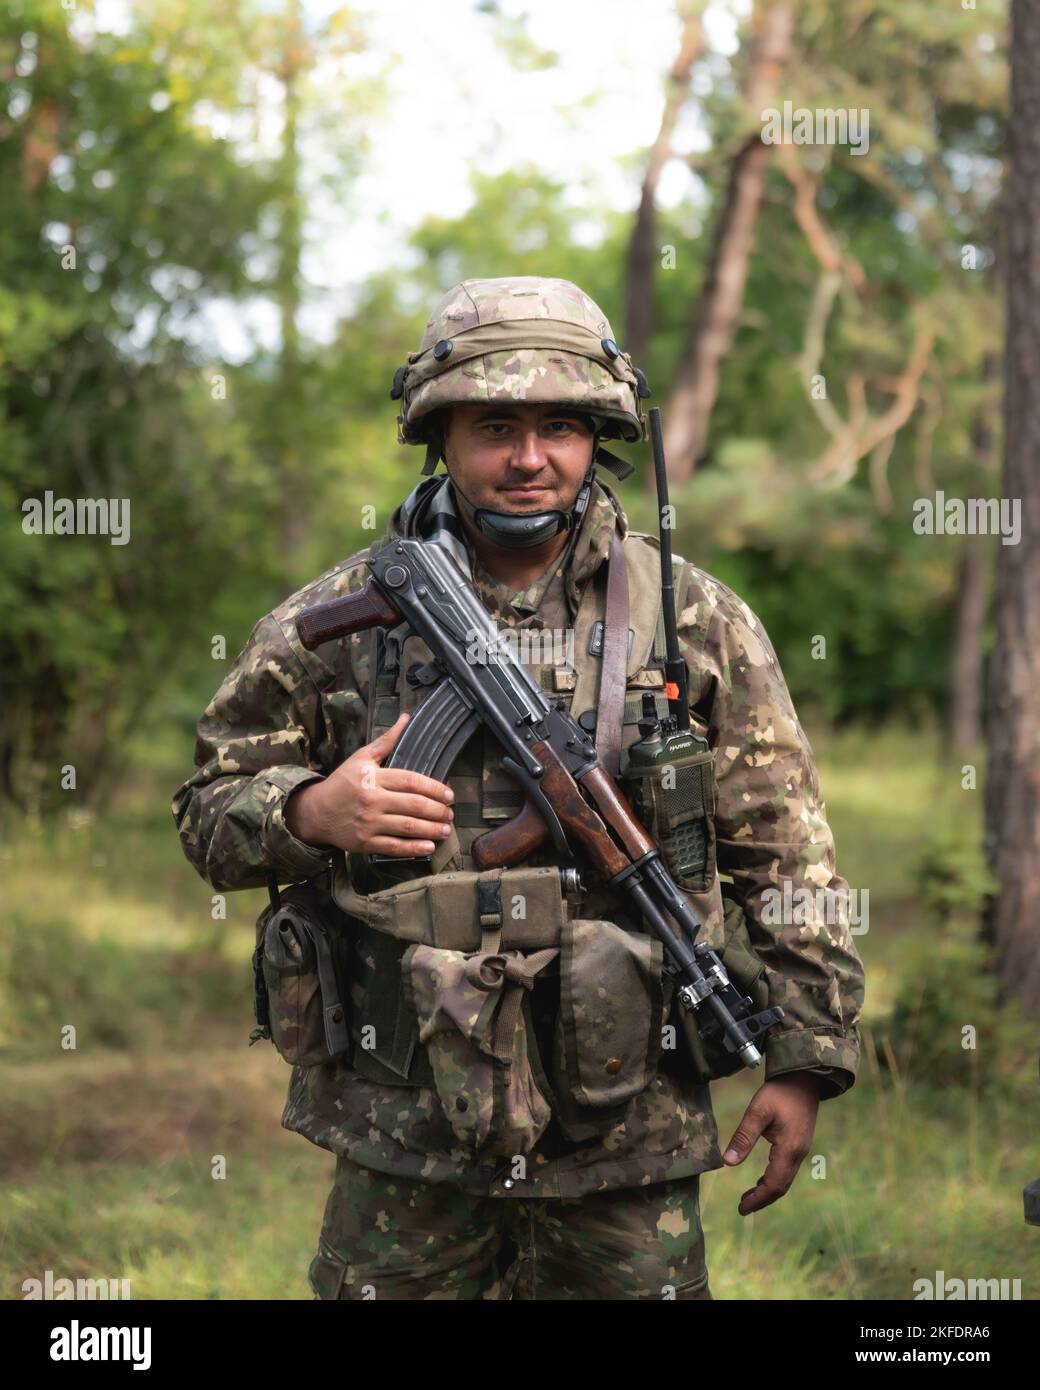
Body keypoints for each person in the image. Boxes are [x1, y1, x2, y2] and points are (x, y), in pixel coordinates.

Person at [172, 276, 865, 1300]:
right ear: (439, 434)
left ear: (599, 437)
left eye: (558, 426)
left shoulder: (688, 620)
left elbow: (784, 851)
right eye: (494, 424)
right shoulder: (343, 614)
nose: (528, 456)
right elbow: (204, 812)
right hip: (406, 1126)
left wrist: (803, 1058)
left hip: (624, 1128)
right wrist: (310, 812)